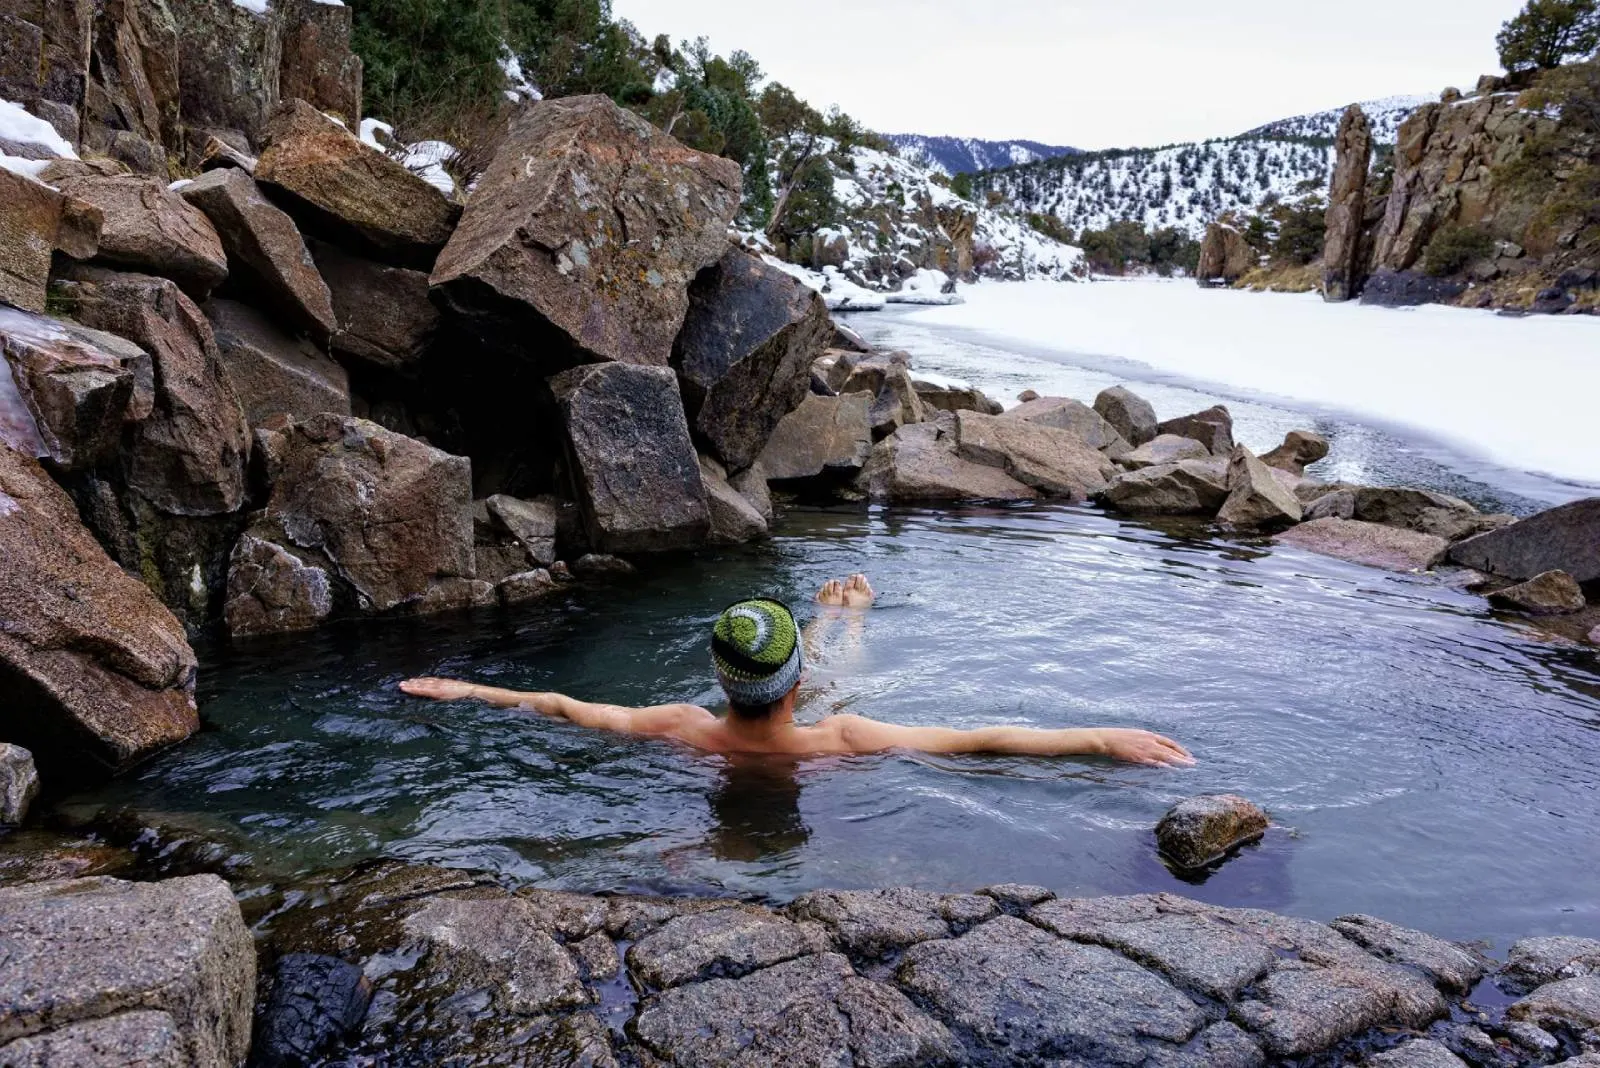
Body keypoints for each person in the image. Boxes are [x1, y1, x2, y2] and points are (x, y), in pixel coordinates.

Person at [399, 574, 1195, 767]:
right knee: (845, 677)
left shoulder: (681, 726)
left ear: (718, 682)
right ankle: (842, 616)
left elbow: (562, 705)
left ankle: (830, 618)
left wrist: (469, 688)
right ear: (790, 691)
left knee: (824, 674)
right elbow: (978, 740)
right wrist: (1094, 737)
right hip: (802, 719)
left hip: (755, 710)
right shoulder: (839, 736)